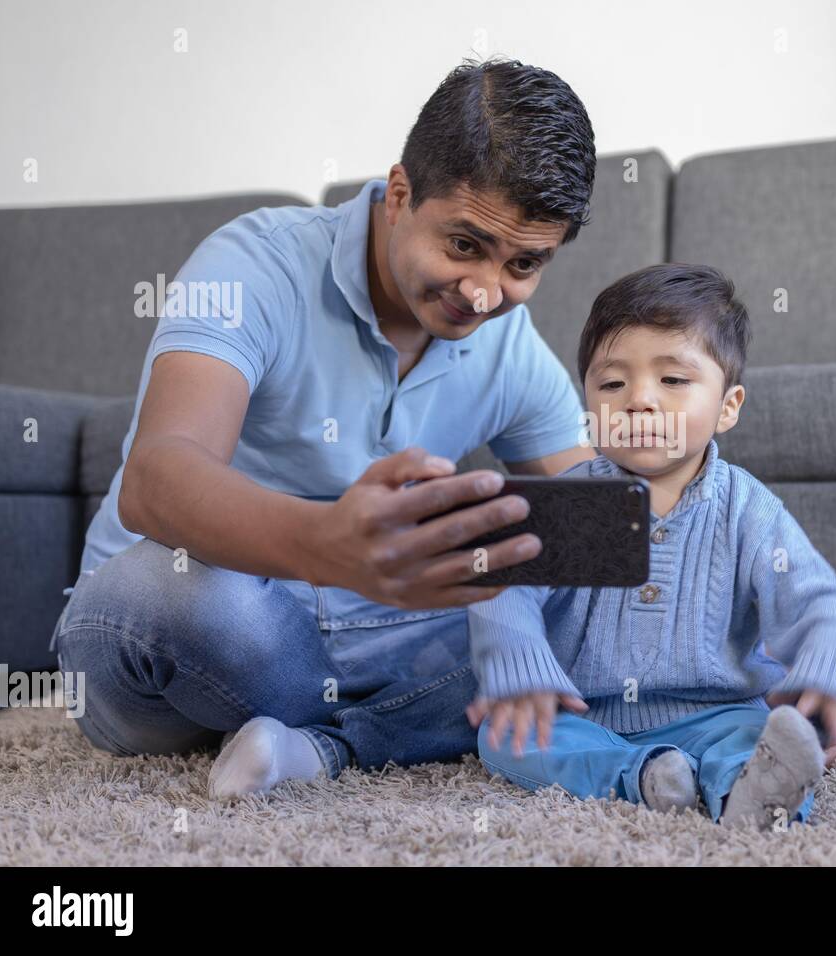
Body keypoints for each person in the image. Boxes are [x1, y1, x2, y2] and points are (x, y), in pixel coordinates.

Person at [51, 58, 602, 799]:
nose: (484, 292)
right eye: (465, 245)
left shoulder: (510, 347)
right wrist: (329, 547)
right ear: (400, 193)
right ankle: (394, 718)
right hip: (196, 643)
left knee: (588, 606)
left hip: (371, 640)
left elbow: (601, 527)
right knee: (162, 587)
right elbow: (155, 479)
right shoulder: (256, 263)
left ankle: (316, 746)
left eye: (525, 263)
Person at [467, 264, 836, 829]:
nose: (638, 401)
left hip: (717, 712)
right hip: (591, 715)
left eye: (673, 380)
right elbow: (503, 586)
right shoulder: (576, 502)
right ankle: (641, 775)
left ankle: (755, 793)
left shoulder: (746, 508)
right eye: (611, 383)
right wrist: (523, 671)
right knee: (505, 738)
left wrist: (829, 674)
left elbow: (819, 601)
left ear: (728, 405)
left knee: (756, 737)